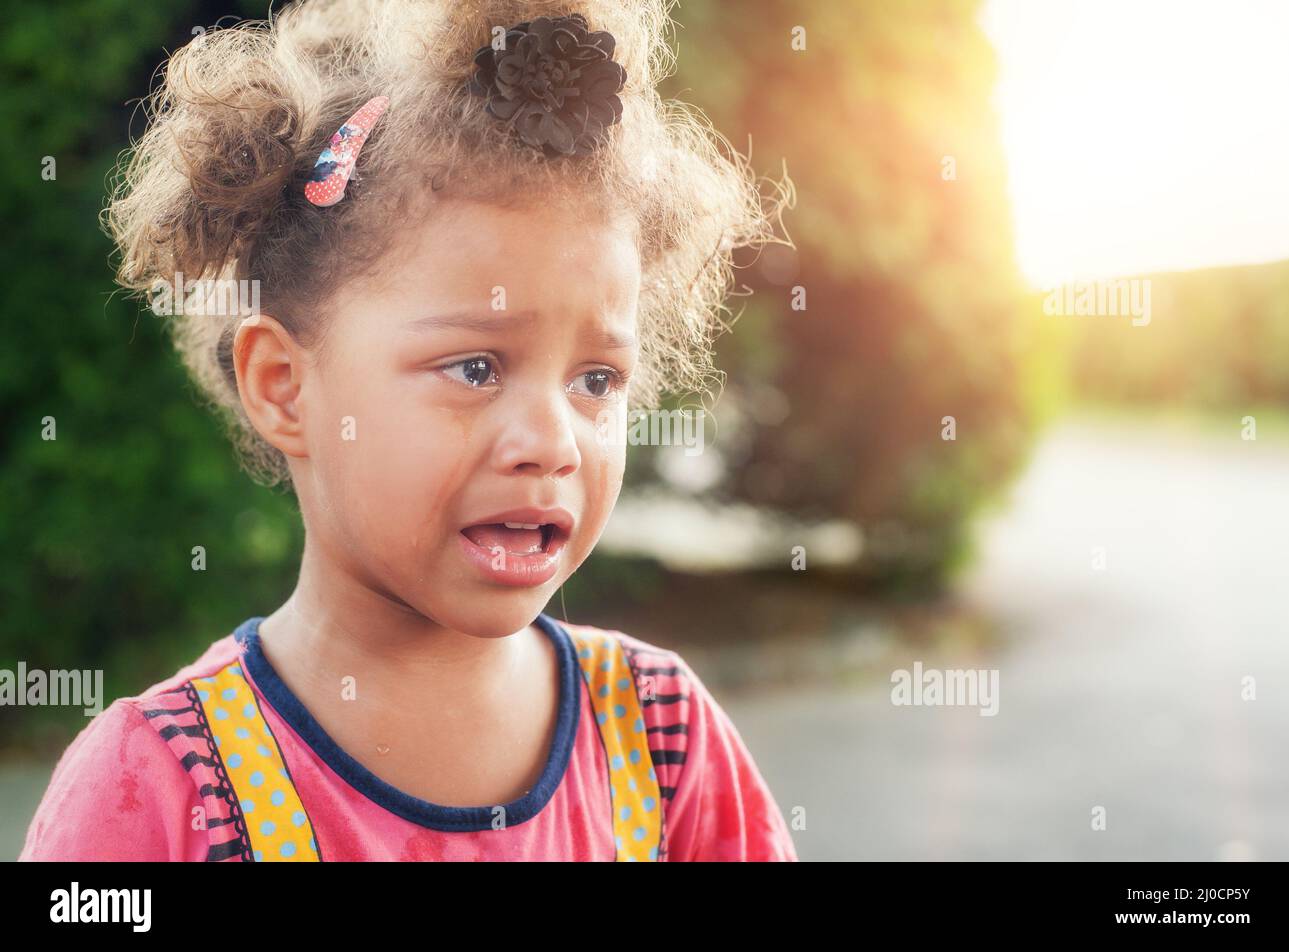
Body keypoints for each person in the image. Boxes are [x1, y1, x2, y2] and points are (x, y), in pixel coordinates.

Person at [20, 0, 796, 862]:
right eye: (475, 368)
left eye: (596, 380)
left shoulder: (661, 745)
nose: (552, 442)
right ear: (283, 387)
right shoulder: (157, 795)